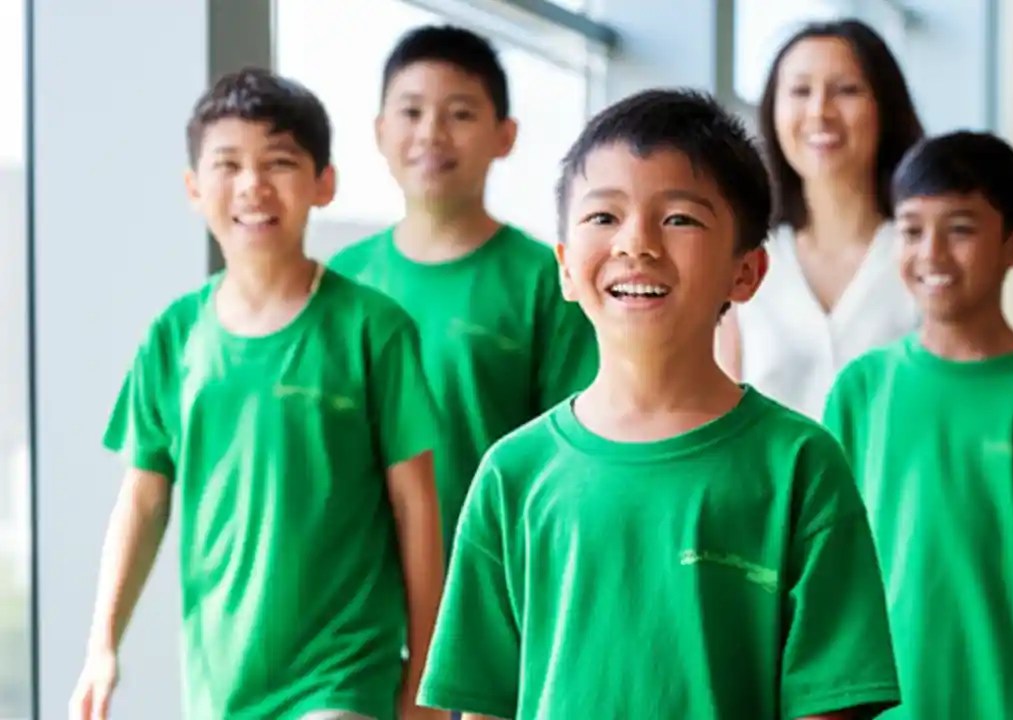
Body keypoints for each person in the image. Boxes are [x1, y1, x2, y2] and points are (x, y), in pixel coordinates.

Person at [418, 88, 901, 719]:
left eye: (679, 218)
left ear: (747, 272)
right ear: (565, 266)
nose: (635, 243)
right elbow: (481, 703)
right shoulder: (514, 474)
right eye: (602, 218)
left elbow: (831, 701)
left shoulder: (800, 467)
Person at [69, 68, 445, 720]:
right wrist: (102, 646)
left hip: (344, 673)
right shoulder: (175, 334)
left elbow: (417, 509)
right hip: (222, 682)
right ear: (194, 187)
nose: (253, 185)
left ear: (322, 184)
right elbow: (143, 498)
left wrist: (428, 675)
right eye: (228, 164)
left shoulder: (373, 330)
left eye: (279, 162)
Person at [823, 131, 1013, 720]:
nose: (931, 253)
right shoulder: (861, 390)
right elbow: (828, 569)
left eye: (960, 229)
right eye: (911, 230)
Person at [328, 25, 597, 558]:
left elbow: (576, 455)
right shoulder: (342, 278)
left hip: (496, 580)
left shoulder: (547, 279)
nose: (432, 133)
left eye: (460, 113)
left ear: (506, 135)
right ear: (380, 131)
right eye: (411, 112)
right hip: (360, 596)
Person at [717, 19, 924, 419]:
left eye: (846, 90)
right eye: (799, 91)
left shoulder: (922, 255)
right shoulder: (743, 261)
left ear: (885, 107)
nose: (820, 112)